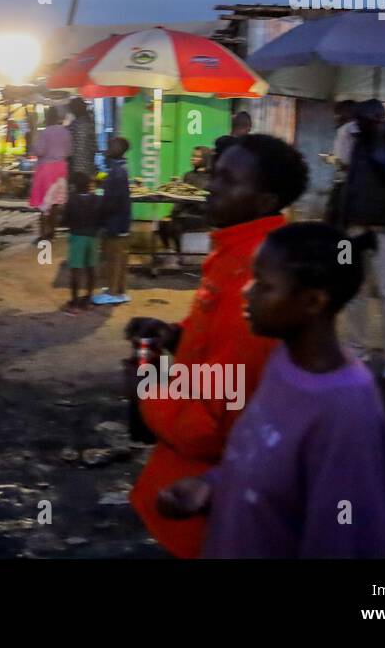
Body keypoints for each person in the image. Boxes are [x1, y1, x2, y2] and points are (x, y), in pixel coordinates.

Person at [156, 223, 385, 558]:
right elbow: (267, 461)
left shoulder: (347, 413)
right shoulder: (283, 361)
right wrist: (211, 486)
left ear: (313, 301)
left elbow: (348, 542)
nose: (246, 291)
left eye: (263, 285)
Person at [125, 133, 309, 558]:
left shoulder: (255, 275)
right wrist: (177, 334)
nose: (211, 186)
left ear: (264, 201)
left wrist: (147, 397)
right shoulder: (237, 252)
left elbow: (212, 424)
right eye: (213, 174)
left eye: (228, 180)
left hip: (209, 505)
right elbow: (214, 336)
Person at [337, 100, 385, 382]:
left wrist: (379, 139)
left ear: (378, 119)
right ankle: (357, 350)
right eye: (356, 121)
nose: (358, 125)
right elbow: (348, 177)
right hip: (357, 228)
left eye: (363, 121)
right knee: (355, 291)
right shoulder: (357, 140)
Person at [94, 137, 132, 305]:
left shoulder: (117, 172)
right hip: (121, 221)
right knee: (121, 258)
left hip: (115, 222)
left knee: (113, 258)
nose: (107, 148)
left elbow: (111, 200)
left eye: (111, 146)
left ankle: (112, 292)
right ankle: (120, 291)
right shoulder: (120, 168)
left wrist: (99, 210)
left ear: (118, 148)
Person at [157, 145, 212, 259]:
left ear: (205, 159)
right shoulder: (188, 175)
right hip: (184, 213)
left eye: (197, 156)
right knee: (162, 223)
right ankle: (169, 251)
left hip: (201, 215)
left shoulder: (210, 177)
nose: (192, 158)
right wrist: (172, 214)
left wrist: (174, 216)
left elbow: (195, 196)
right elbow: (180, 198)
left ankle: (179, 254)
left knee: (174, 225)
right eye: (192, 156)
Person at [28, 105, 71, 243]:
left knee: (44, 202)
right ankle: (52, 232)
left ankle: (43, 235)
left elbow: (39, 151)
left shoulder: (45, 132)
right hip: (61, 169)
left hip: (46, 170)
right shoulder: (65, 132)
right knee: (55, 202)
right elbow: (70, 152)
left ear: (47, 117)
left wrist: (32, 145)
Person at [62, 171, 102, 312]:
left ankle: (74, 303)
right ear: (88, 186)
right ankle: (89, 300)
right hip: (93, 237)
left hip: (77, 236)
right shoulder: (97, 199)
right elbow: (101, 218)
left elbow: (65, 220)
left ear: (75, 186)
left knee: (76, 271)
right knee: (91, 269)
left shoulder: (71, 200)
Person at [66, 97, 97, 181]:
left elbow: (67, 146)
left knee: (77, 190)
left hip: (75, 167)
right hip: (88, 165)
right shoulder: (90, 123)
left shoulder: (73, 125)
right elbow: (94, 146)